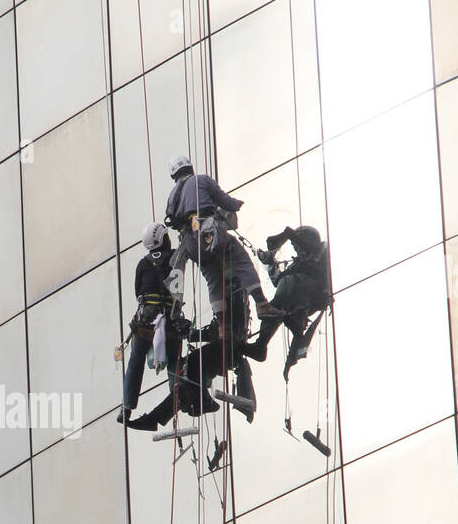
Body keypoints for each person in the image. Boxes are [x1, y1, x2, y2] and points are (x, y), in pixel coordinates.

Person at [127, 158, 281, 430]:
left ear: (174, 175)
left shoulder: (173, 195)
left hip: (193, 241)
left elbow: (172, 220)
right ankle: (261, 303)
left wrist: (189, 328)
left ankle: (160, 415)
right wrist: (236, 206)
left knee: (212, 279)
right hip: (211, 232)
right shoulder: (201, 180)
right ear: (189, 169)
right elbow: (224, 200)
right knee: (240, 259)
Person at [118, 222, 189, 424]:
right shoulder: (175, 257)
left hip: (145, 324)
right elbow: (187, 252)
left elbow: (138, 292)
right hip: (170, 323)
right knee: (175, 360)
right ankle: (177, 397)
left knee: (136, 360)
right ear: (163, 239)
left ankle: (127, 407)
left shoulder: (142, 264)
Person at [241, 225, 331, 377]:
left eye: (296, 246)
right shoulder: (296, 264)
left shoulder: (320, 249)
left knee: (285, 289)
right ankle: (261, 345)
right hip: (292, 296)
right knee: (275, 305)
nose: (296, 250)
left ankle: (294, 319)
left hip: (307, 295)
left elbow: (308, 247)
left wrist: (289, 234)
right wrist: (271, 262)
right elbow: (277, 281)